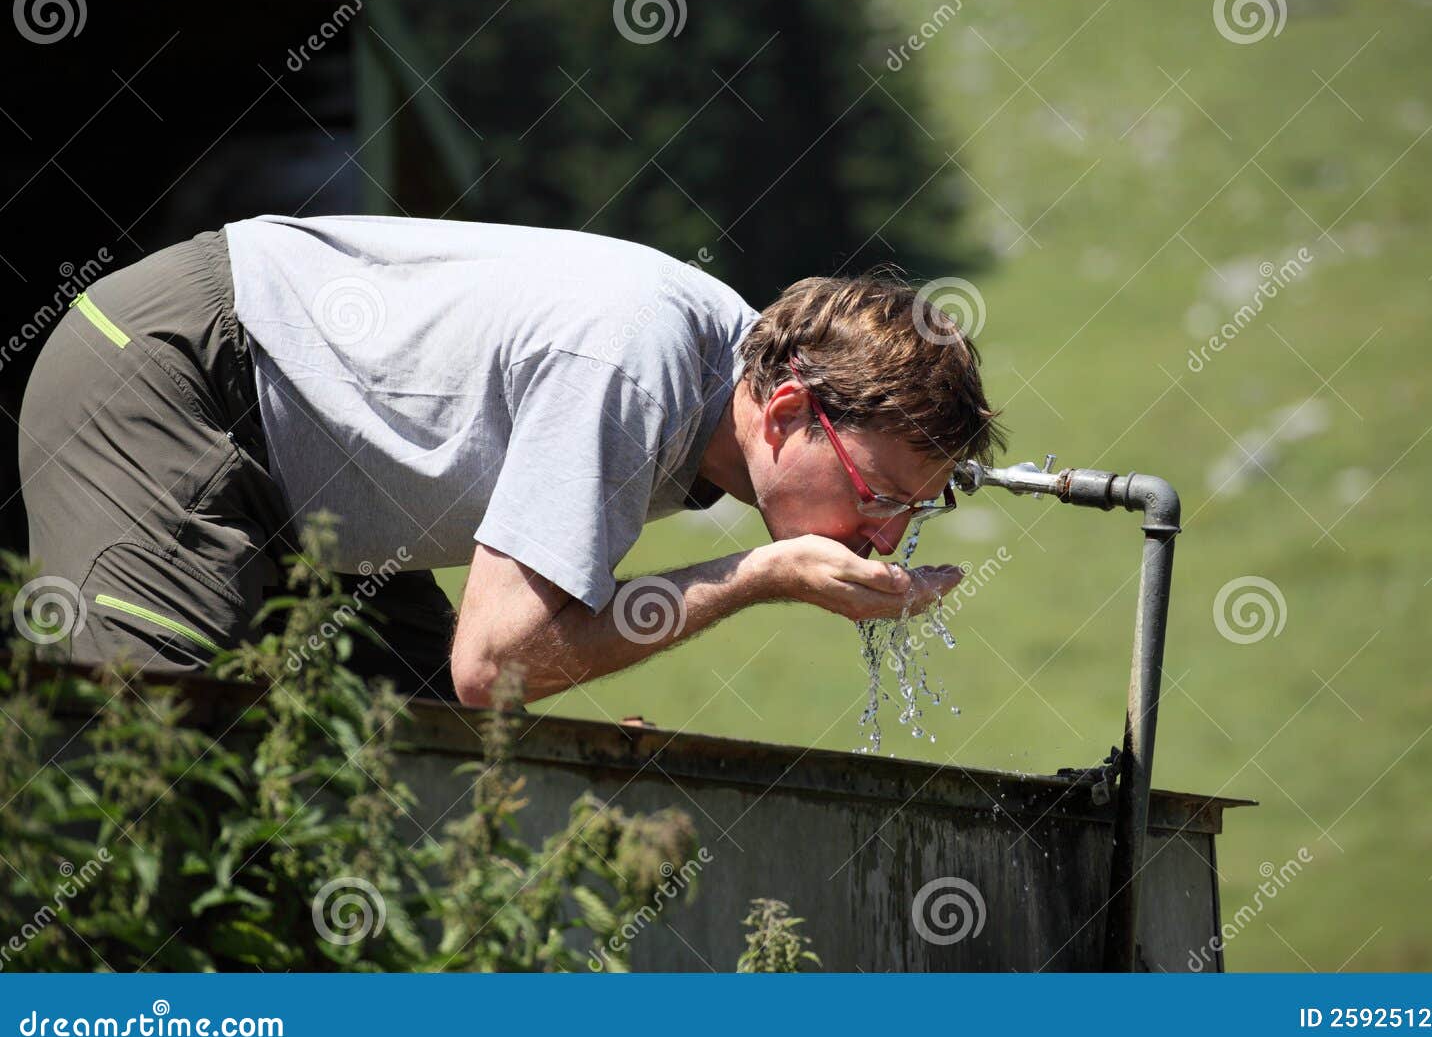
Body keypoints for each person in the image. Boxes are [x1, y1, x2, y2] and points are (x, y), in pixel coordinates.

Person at [18, 215, 1004, 705]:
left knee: (427, 776)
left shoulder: (732, 372)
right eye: (879, 494)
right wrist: (759, 575)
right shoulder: (636, 365)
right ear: (787, 412)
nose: (885, 537)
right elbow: (494, 661)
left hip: (317, 474)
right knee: (154, 766)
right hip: (173, 372)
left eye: (911, 511)